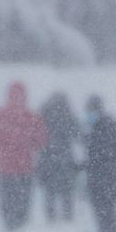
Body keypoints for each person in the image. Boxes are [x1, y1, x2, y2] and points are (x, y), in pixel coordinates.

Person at [0, 82, 47, 231]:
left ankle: (10, 225)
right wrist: (31, 144)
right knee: (23, 200)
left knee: (8, 200)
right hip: (26, 166)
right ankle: (21, 226)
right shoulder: (31, 116)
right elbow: (42, 139)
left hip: (5, 167)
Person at [82, 95, 116, 232]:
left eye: (90, 110)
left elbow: (104, 159)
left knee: (108, 222)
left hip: (105, 185)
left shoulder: (104, 128)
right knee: (105, 222)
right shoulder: (98, 128)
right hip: (101, 184)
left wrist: (91, 169)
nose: (88, 114)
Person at [37, 92, 82, 223]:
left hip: (47, 158)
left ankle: (50, 218)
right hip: (65, 159)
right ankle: (68, 217)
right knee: (66, 190)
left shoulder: (43, 114)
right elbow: (78, 135)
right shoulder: (68, 115)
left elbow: (36, 135)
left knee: (49, 191)